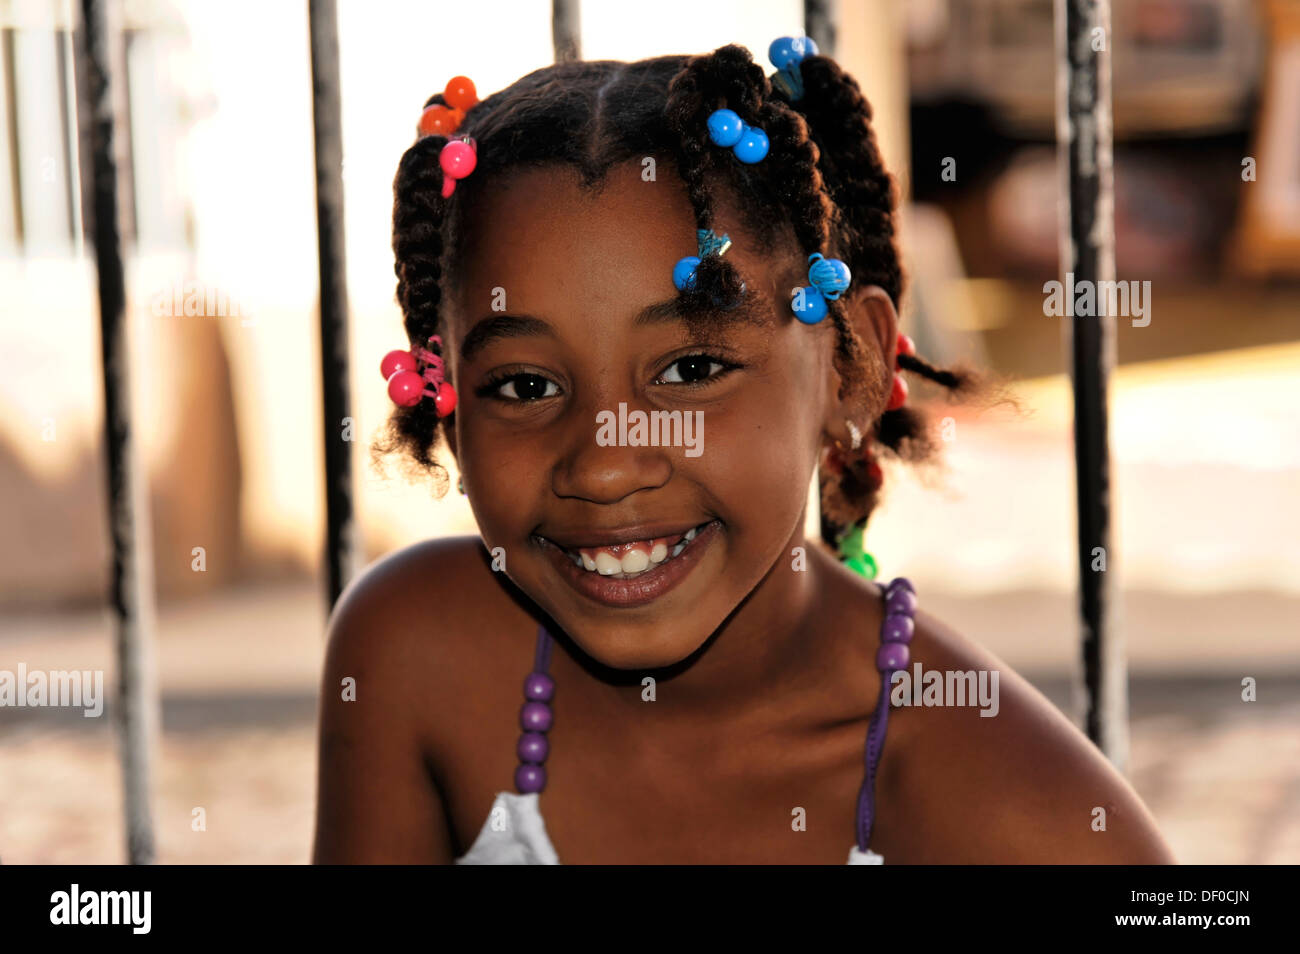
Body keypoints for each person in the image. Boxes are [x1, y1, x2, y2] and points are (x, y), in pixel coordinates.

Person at [312, 40, 1174, 864]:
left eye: (691, 369)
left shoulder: (1016, 810)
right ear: (452, 410)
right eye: (526, 386)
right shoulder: (414, 657)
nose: (607, 463)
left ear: (852, 368)